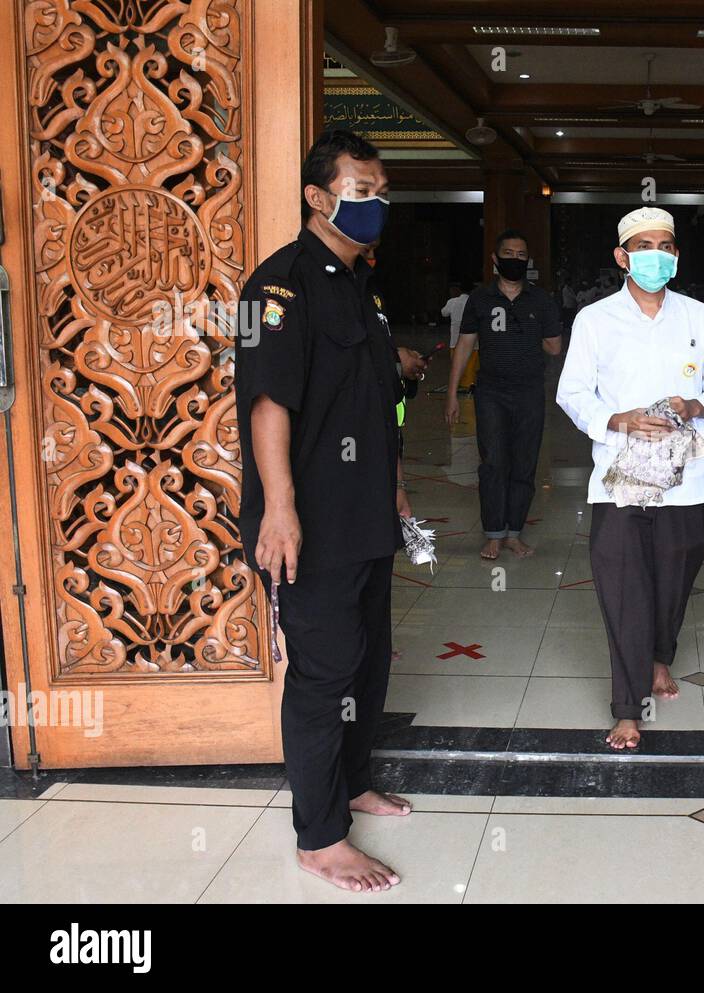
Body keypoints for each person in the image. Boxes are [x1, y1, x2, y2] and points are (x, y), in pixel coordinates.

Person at [234, 129, 413, 893]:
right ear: (318, 197)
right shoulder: (276, 288)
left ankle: (354, 779)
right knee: (322, 668)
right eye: (360, 191)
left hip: (367, 510)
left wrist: (397, 484)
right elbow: (268, 404)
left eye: (379, 191)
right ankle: (320, 835)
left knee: (369, 657)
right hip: (311, 521)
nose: (374, 204)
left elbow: (379, 402)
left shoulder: (360, 287)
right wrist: (278, 511)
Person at [557, 206, 704, 750]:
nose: (656, 256)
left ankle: (660, 655)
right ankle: (627, 706)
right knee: (622, 585)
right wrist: (616, 420)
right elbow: (571, 393)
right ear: (622, 256)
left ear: (677, 256)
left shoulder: (699, 319)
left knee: (675, 576)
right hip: (620, 474)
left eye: (666, 246)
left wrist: (697, 403)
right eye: (644, 247)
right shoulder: (594, 320)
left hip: (684, 475)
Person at [444, 230, 563, 560]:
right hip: (491, 393)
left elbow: (555, 347)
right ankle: (493, 533)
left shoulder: (541, 300)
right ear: (495, 260)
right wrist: (452, 394)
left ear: (528, 261)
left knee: (524, 464)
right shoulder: (479, 300)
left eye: (521, 255)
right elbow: (465, 345)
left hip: (528, 393)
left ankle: (514, 532)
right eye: (508, 253)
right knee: (494, 462)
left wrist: (533, 328)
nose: (515, 259)